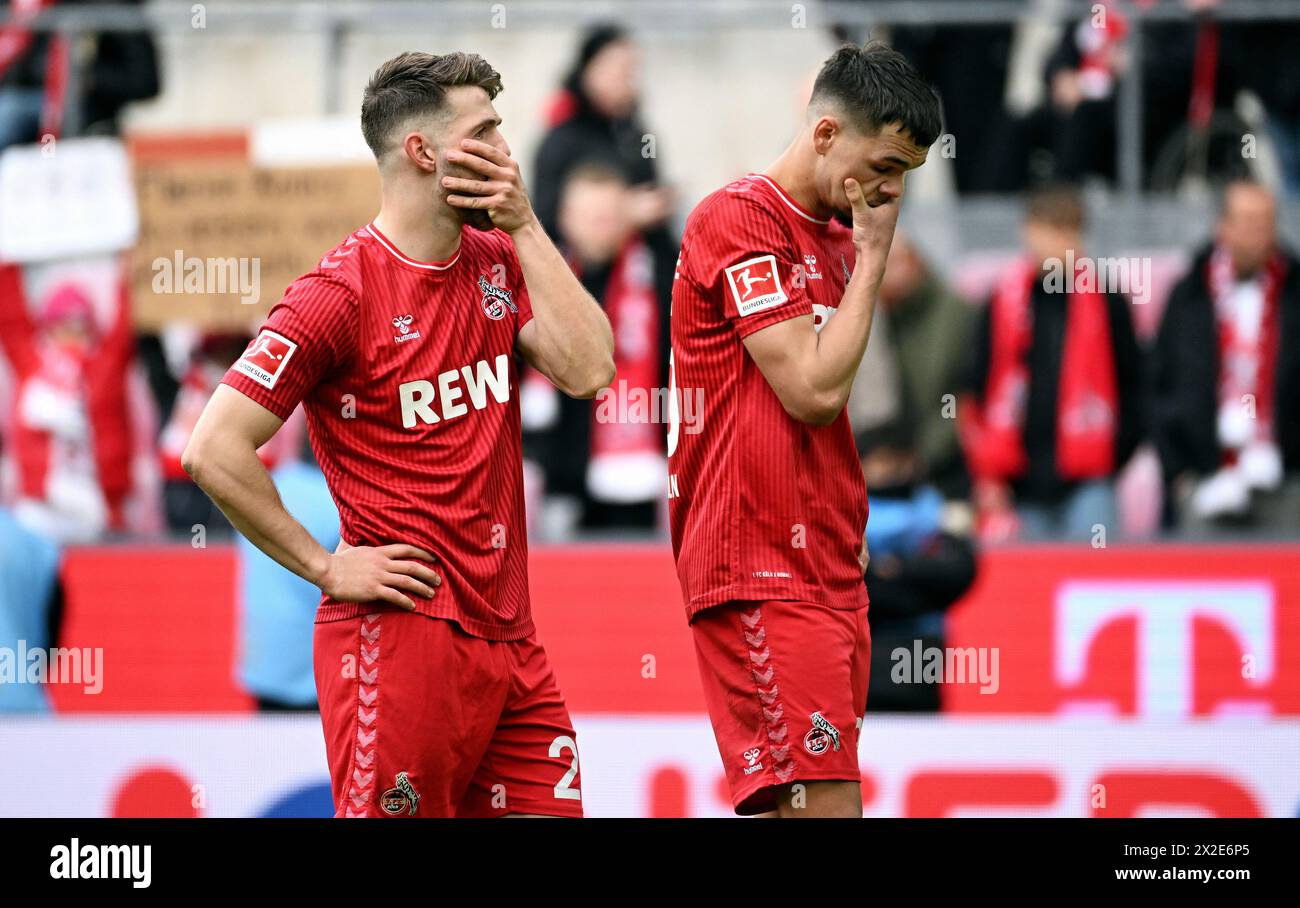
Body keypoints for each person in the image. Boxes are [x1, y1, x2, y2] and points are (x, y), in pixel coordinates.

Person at [182, 52, 614, 818]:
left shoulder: (495, 261)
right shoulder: (337, 294)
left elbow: (590, 370)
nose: (504, 152)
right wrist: (325, 567)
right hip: (403, 632)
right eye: (484, 132)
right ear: (423, 152)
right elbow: (212, 447)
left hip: (512, 637)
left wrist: (524, 223)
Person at [668, 43, 940, 818]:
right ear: (825, 135)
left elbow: (843, 412)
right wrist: (875, 259)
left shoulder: (836, 234)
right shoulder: (737, 220)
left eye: (906, 175)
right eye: (885, 165)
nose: (892, 191)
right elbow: (814, 391)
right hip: (756, 562)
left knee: (799, 807)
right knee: (826, 806)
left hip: (826, 562)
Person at [961, 184, 1143, 542]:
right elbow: (976, 389)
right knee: (1028, 589)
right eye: (1049, 230)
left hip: (1090, 481)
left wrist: (1114, 456)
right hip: (1020, 485)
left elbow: (1134, 386)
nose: (1058, 243)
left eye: (1068, 230)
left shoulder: (1107, 302)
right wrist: (987, 475)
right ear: (1027, 231)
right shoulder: (1001, 301)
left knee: (1094, 582)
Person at [522, 161, 664, 533]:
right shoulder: (536, 279)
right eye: (591, 216)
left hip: (638, 482)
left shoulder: (658, 276)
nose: (601, 226)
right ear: (566, 218)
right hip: (558, 478)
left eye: (610, 215)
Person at [1153, 179, 1300, 535]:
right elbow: (1158, 383)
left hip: (1284, 483)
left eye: (1265, 222)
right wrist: (1179, 469)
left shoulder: (1295, 293)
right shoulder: (1189, 295)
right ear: (1223, 227)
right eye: (1248, 222)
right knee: (1202, 586)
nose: (1258, 233)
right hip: (1205, 480)